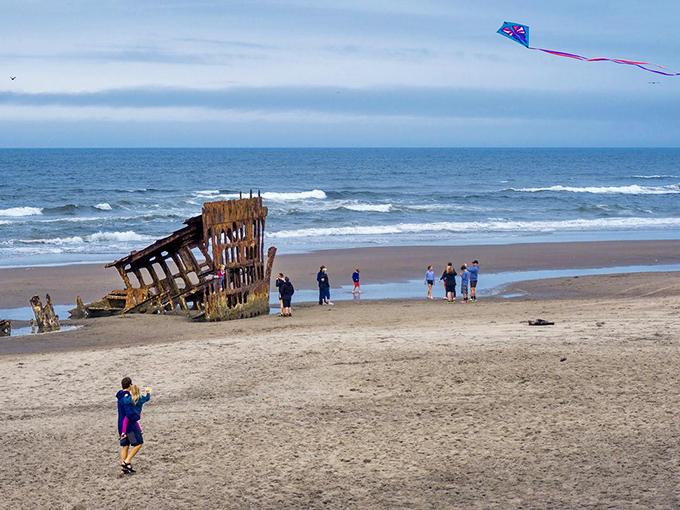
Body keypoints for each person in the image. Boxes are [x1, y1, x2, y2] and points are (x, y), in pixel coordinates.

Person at [117, 377, 145, 475]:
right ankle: (126, 462)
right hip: (130, 426)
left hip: (121, 425)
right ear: (129, 385)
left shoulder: (120, 396)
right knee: (138, 443)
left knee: (125, 446)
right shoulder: (127, 397)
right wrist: (136, 417)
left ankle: (124, 469)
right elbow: (129, 413)